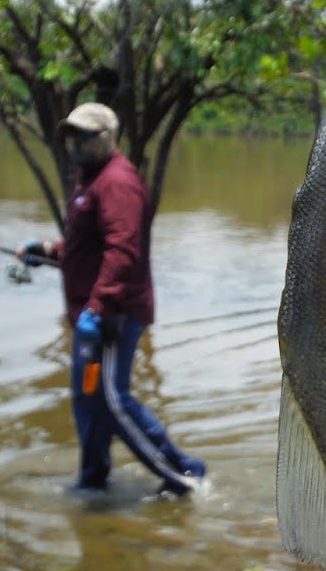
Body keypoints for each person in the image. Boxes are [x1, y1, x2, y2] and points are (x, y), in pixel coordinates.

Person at [19, 102, 206, 496]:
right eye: (72, 135)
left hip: (110, 318)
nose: (76, 144)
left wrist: (98, 307)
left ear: (107, 138)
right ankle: (93, 482)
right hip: (94, 315)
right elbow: (88, 244)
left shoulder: (117, 182)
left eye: (85, 136)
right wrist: (50, 250)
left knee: (110, 400)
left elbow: (124, 251)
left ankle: (184, 475)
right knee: (89, 400)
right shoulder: (91, 180)